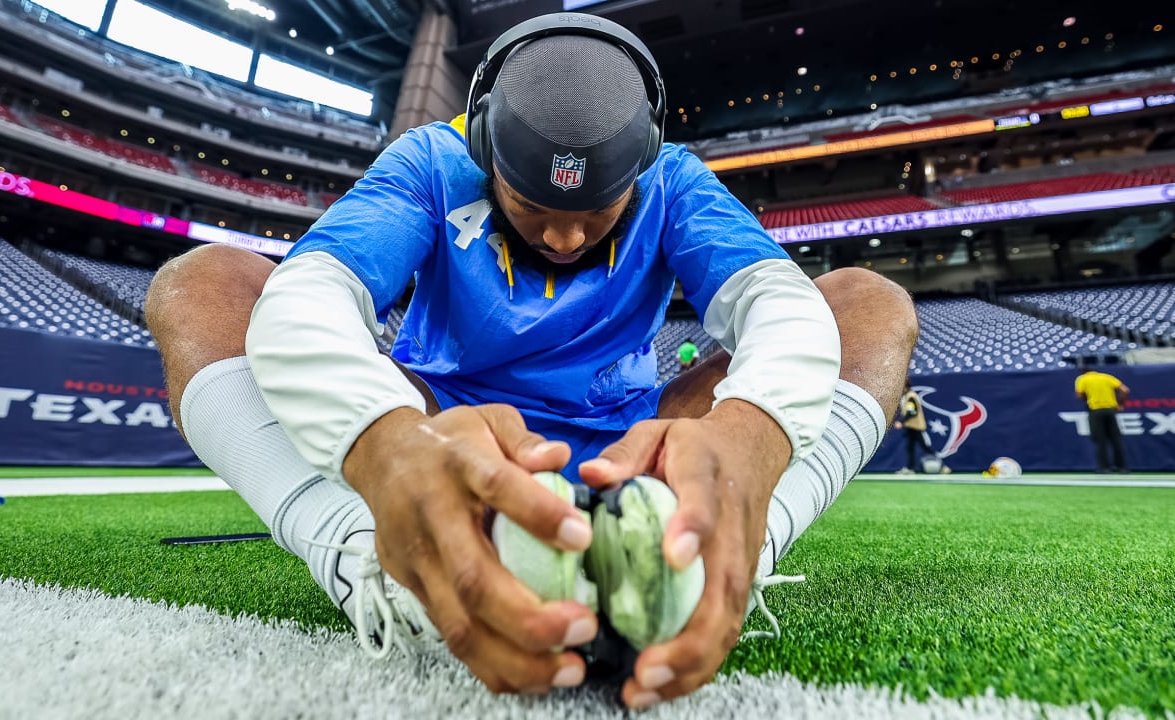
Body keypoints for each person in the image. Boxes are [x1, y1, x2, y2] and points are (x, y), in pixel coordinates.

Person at [144, 13, 917, 710]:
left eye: (595, 212)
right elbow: (309, 294)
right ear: (484, 151)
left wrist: (750, 438)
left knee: (868, 305)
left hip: (635, 445)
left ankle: (729, 548)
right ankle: (361, 549)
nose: (564, 239)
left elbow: (783, 304)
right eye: (533, 208)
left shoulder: (673, 178)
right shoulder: (430, 160)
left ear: (640, 166)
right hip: (447, 434)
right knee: (203, 283)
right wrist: (381, 447)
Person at [1074, 365, 1129, 473]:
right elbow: (1125, 390)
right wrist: (1120, 404)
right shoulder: (1106, 377)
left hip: (1096, 410)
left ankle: (1104, 468)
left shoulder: (1082, 379)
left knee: (1100, 440)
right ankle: (1121, 467)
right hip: (1110, 410)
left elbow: (1079, 395)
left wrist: (1088, 396)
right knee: (1116, 440)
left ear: (1083, 372)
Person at [892, 379, 948, 474]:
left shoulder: (911, 396)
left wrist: (901, 422)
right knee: (910, 448)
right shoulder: (907, 396)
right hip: (910, 426)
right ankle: (910, 468)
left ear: (905, 386)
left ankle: (943, 466)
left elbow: (912, 412)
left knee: (925, 447)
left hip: (916, 427)